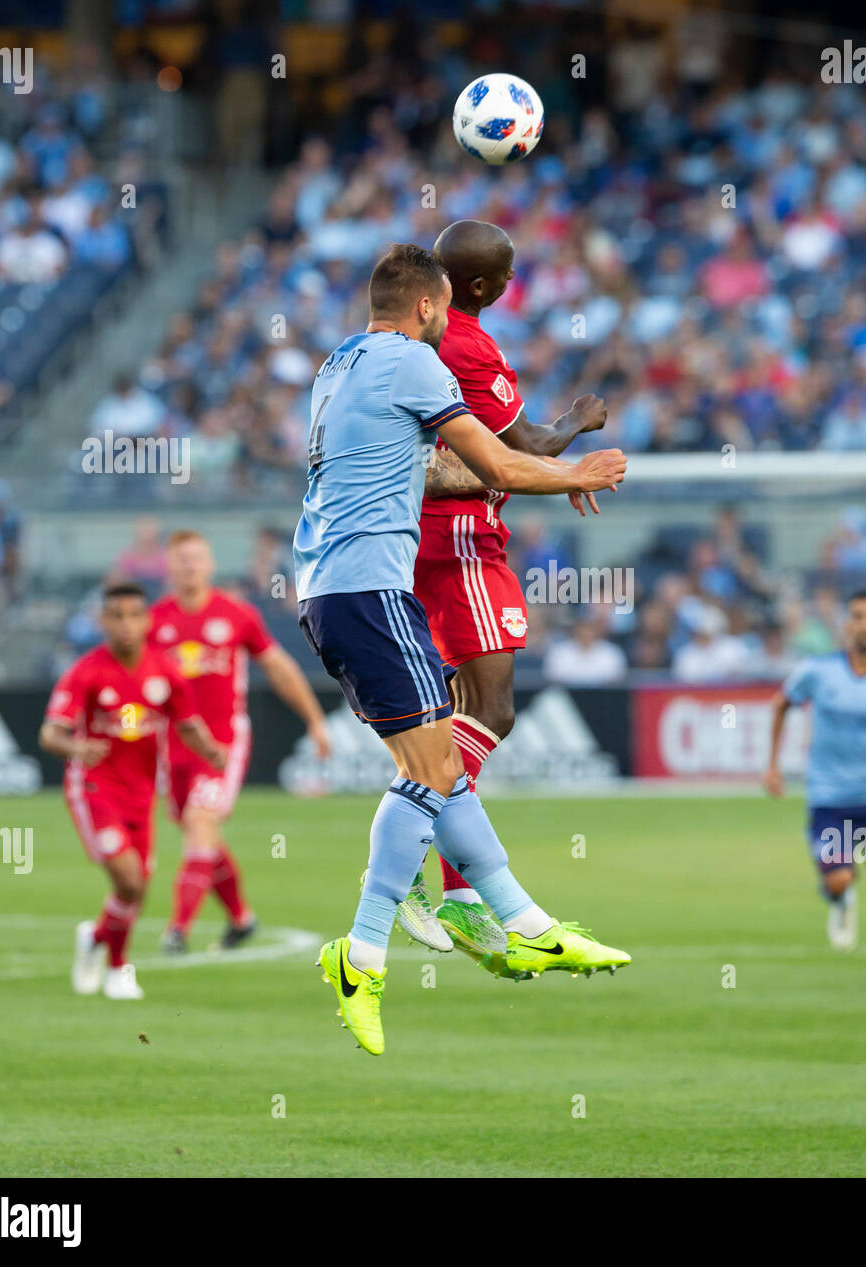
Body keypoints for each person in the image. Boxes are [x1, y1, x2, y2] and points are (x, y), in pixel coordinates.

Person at [293, 243, 630, 1055]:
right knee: (429, 772)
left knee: (442, 761)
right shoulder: (415, 362)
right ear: (427, 307)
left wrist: (541, 470)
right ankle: (361, 953)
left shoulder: (337, 368)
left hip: (334, 587)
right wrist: (580, 467)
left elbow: (430, 478)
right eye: (444, 309)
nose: (447, 321)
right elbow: (501, 460)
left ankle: (528, 922)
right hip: (369, 587)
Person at [413, 219, 612, 967]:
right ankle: (401, 847)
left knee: (460, 714)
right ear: (483, 286)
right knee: (491, 711)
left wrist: (558, 473)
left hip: (428, 536)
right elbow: (522, 449)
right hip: (461, 536)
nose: (507, 285)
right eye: (504, 275)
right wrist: (578, 426)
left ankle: (463, 895)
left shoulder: (417, 339)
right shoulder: (465, 340)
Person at [39, 584, 226, 1000]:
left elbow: (187, 723)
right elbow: (50, 734)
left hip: (142, 794)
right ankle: (119, 968)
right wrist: (76, 747)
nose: (126, 625)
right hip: (94, 789)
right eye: (116, 616)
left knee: (137, 886)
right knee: (127, 879)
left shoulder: (165, 672)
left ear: (147, 621)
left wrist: (211, 750)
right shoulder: (86, 672)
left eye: (134, 615)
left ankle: (96, 938)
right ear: (103, 622)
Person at [150, 531, 332, 953]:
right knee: (202, 833)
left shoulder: (236, 615)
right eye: (182, 559)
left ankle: (177, 931)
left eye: (197, 558)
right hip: (172, 748)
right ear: (170, 568)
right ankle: (241, 918)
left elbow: (279, 668)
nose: (190, 566)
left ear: (211, 564)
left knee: (199, 823)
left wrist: (314, 720)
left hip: (222, 742)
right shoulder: (154, 622)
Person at [763, 591, 866, 981]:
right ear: (846, 624)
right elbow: (781, 704)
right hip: (829, 798)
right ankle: (841, 900)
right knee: (838, 878)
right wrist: (772, 765)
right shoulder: (816, 671)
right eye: (858, 616)